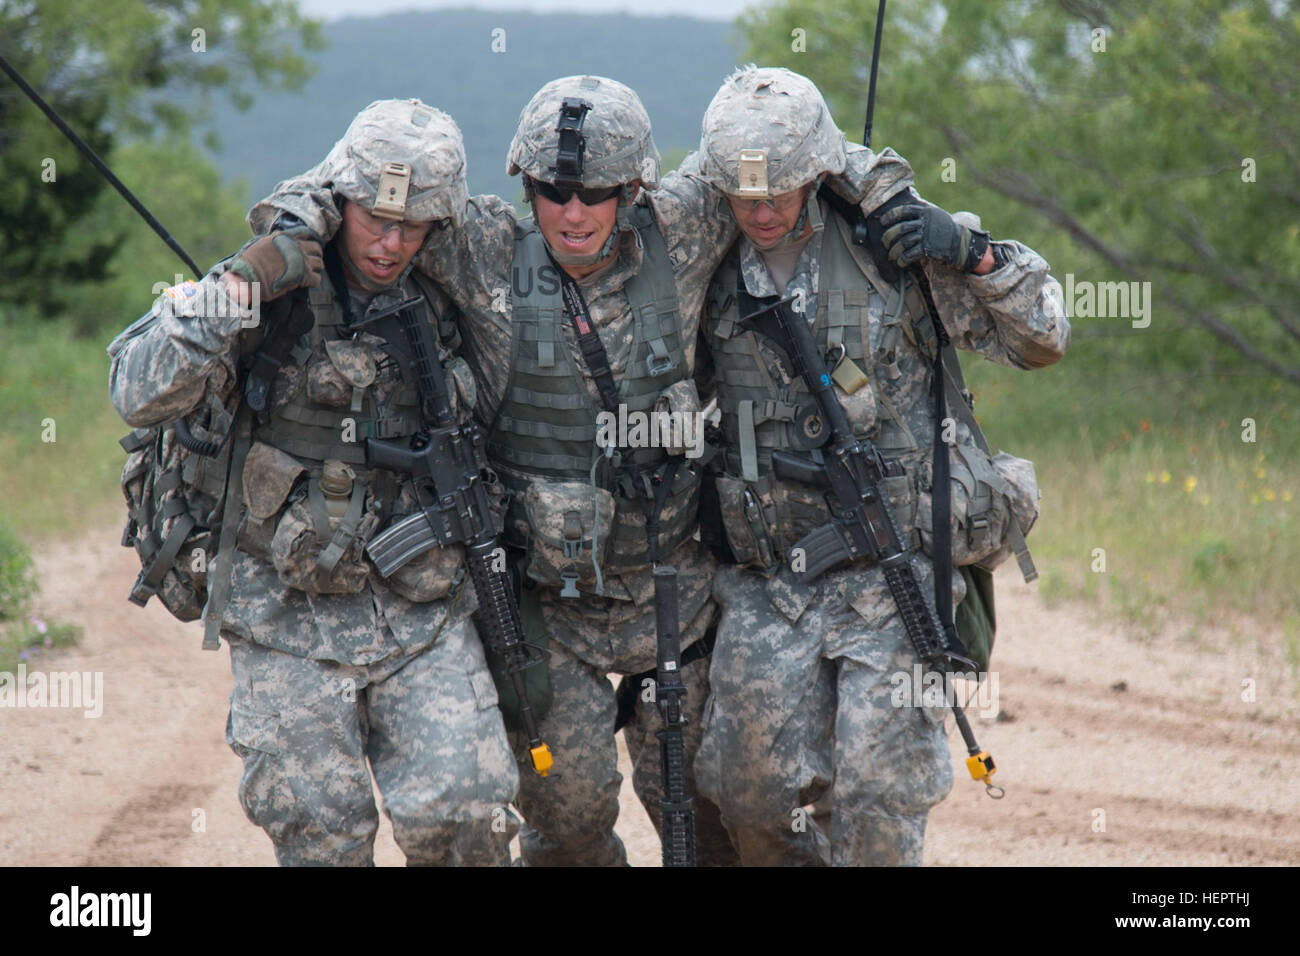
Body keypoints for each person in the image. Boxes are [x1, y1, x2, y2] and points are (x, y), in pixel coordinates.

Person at [252, 75, 742, 866]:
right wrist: (284, 228)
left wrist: (925, 223)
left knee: (717, 815)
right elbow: (368, 195)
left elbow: (785, 159)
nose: (572, 213)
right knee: (568, 826)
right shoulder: (477, 249)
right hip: (545, 612)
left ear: (635, 188)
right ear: (525, 184)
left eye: (596, 192)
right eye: (552, 190)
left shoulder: (686, 227)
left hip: (675, 599)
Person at [108, 99, 519, 866]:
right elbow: (135, 388)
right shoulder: (274, 285)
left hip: (422, 608)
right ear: (340, 204)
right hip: (284, 617)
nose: (392, 243)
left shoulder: (452, 285)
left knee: (467, 813)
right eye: (374, 219)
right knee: (320, 833)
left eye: (415, 226)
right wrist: (239, 285)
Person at [690, 66, 1069, 866]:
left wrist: (969, 252)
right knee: (745, 794)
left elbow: (1043, 336)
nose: (759, 212)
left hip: (893, 567)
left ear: (818, 170)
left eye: (778, 192)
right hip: (770, 575)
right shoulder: (708, 258)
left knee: (878, 803)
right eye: (742, 195)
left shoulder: (889, 240)